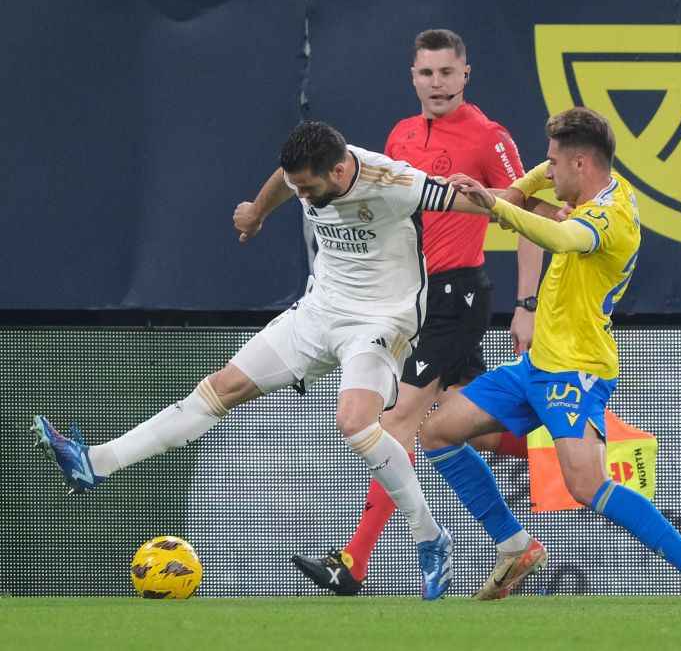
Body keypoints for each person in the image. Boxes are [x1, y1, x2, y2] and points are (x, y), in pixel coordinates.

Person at [31, 120, 484, 601]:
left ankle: (431, 538)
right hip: (319, 311)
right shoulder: (304, 174)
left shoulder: (396, 182)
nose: (303, 194)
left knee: (355, 422)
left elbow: (482, 202)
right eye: (298, 185)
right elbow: (283, 180)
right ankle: (95, 463)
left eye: (310, 187)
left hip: (381, 320)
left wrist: (525, 205)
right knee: (220, 387)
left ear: (336, 171)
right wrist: (255, 212)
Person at [418, 107, 681, 602]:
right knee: (438, 431)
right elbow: (515, 193)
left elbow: (560, 236)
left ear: (582, 165)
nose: (547, 170)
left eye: (553, 163)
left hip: (576, 369)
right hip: (537, 364)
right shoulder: (596, 180)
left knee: (587, 485)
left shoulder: (610, 219)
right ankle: (513, 544)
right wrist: (490, 197)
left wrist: (499, 209)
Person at [289, 28, 544, 596]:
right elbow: (372, 222)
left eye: (447, 73)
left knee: (394, 425)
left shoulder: (488, 135)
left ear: (465, 75)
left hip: (456, 297)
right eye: (427, 74)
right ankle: (536, 505)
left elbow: (534, 215)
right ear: (413, 78)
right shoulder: (400, 135)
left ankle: (353, 563)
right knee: (459, 431)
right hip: (410, 299)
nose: (437, 84)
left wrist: (527, 303)